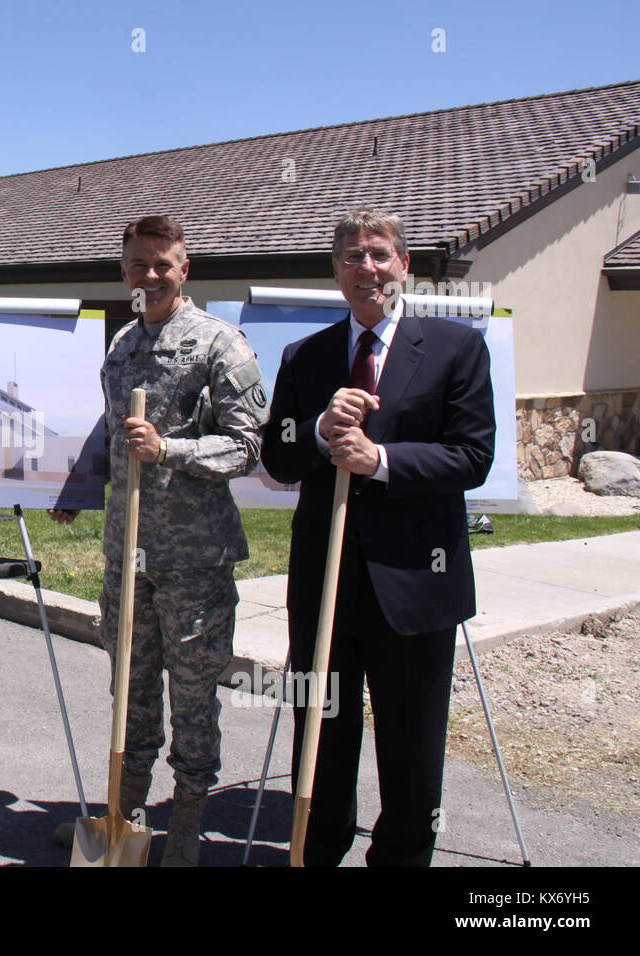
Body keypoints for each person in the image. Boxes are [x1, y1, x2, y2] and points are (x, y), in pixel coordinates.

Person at [261, 208, 495, 866]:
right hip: (327, 579)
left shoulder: (455, 348)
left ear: (404, 265)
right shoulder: (304, 357)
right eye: (352, 256)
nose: (367, 267)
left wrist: (381, 462)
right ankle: (319, 846)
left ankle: (400, 856)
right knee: (322, 732)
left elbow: (472, 456)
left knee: (411, 742)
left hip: (417, 580)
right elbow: (278, 457)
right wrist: (314, 432)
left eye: (379, 254)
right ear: (335, 271)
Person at [52, 215, 268, 865]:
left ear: (185, 268)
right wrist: (79, 483)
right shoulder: (120, 346)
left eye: (162, 264)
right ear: (122, 271)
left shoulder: (221, 346)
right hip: (129, 557)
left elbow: (248, 445)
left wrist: (170, 449)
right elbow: (114, 429)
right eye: (138, 265)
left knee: (194, 693)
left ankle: (188, 827)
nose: (150, 275)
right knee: (131, 689)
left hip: (194, 559)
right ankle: (124, 817)